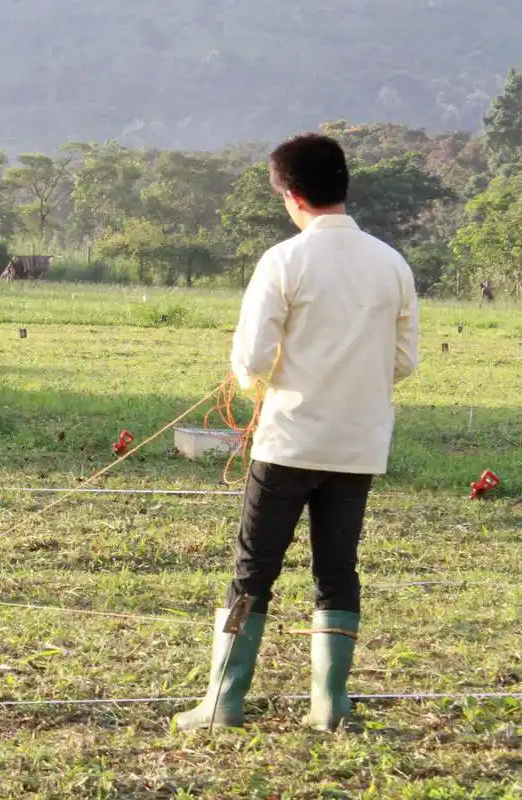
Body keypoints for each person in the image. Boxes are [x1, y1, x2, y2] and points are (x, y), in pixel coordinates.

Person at [173, 134, 420, 733]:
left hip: (287, 444)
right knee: (337, 570)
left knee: (253, 569)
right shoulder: (391, 262)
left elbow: (254, 360)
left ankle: (223, 703)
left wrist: (247, 379)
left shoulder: (284, 261)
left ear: (292, 196)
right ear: (343, 187)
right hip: (358, 445)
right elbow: (405, 361)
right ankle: (330, 707)